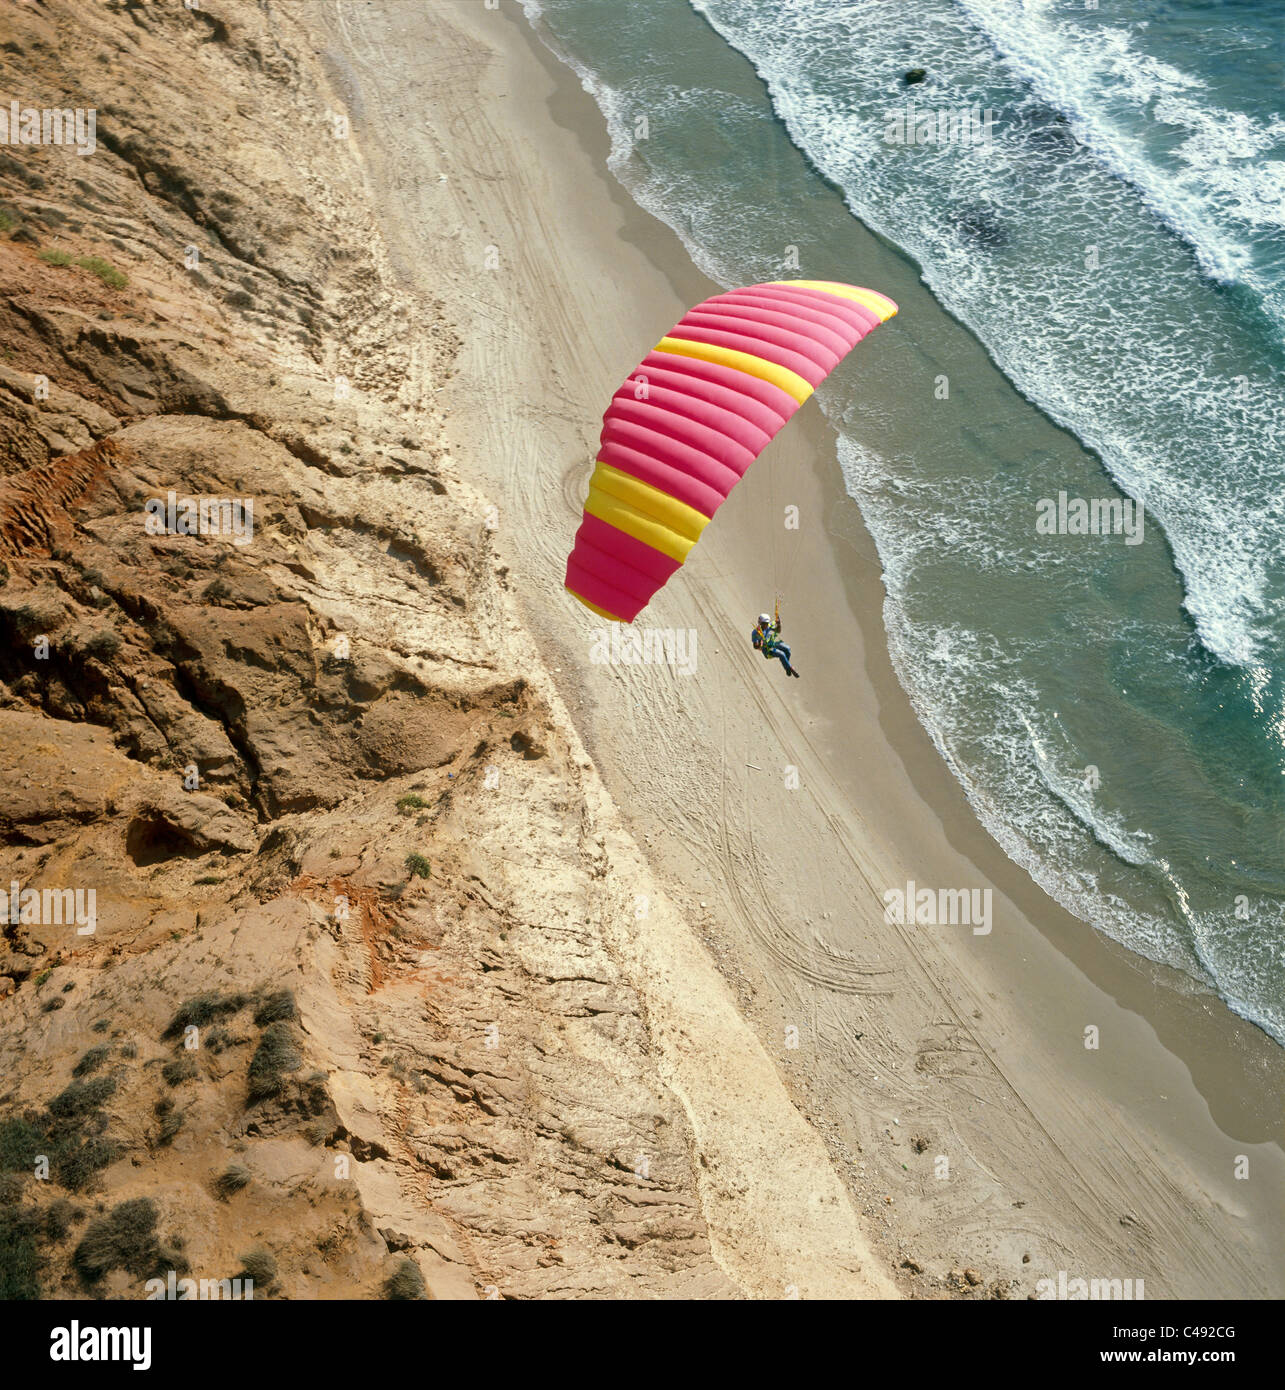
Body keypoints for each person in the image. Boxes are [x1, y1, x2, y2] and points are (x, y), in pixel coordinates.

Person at [752, 611, 799, 678]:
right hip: (767, 650)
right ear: (760, 623)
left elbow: (778, 631)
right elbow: (755, 646)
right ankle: (790, 668)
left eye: (767, 623)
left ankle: (787, 667)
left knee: (787, 648)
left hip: (772, 643)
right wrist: (760, 644)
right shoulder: (755, 633)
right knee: (782, 654)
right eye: (764, 624)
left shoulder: (768, 626)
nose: (766, 625)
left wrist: (779, 624)